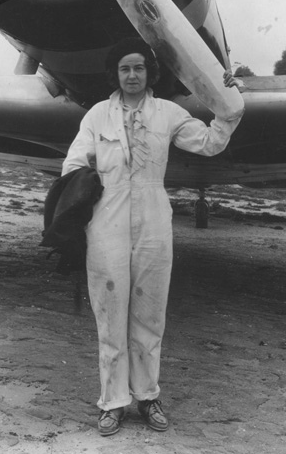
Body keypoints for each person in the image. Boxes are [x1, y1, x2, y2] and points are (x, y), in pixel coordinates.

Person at [61, 37, 244, 436]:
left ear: (150, 73)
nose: (132, 75)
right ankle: (112, 403)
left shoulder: (168, 113)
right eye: (125, 68)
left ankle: (147, 397)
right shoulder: (96, 116)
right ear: (115, 73)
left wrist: (229, 103)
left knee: (149, 311)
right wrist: (79, 204)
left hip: (154, 217)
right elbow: (74, 164)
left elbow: (210, 142)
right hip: (106, 217)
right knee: (110, 312)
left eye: (139, 68)